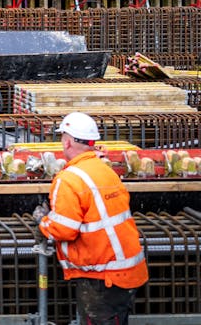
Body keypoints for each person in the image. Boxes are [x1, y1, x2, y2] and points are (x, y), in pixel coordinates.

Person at [36, 111, 148, 324]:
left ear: (67, 142)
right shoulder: (104, 170)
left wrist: (43, 222)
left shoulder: (69, 179)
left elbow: (64, 230)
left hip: (104, 277)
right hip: (126, 271)